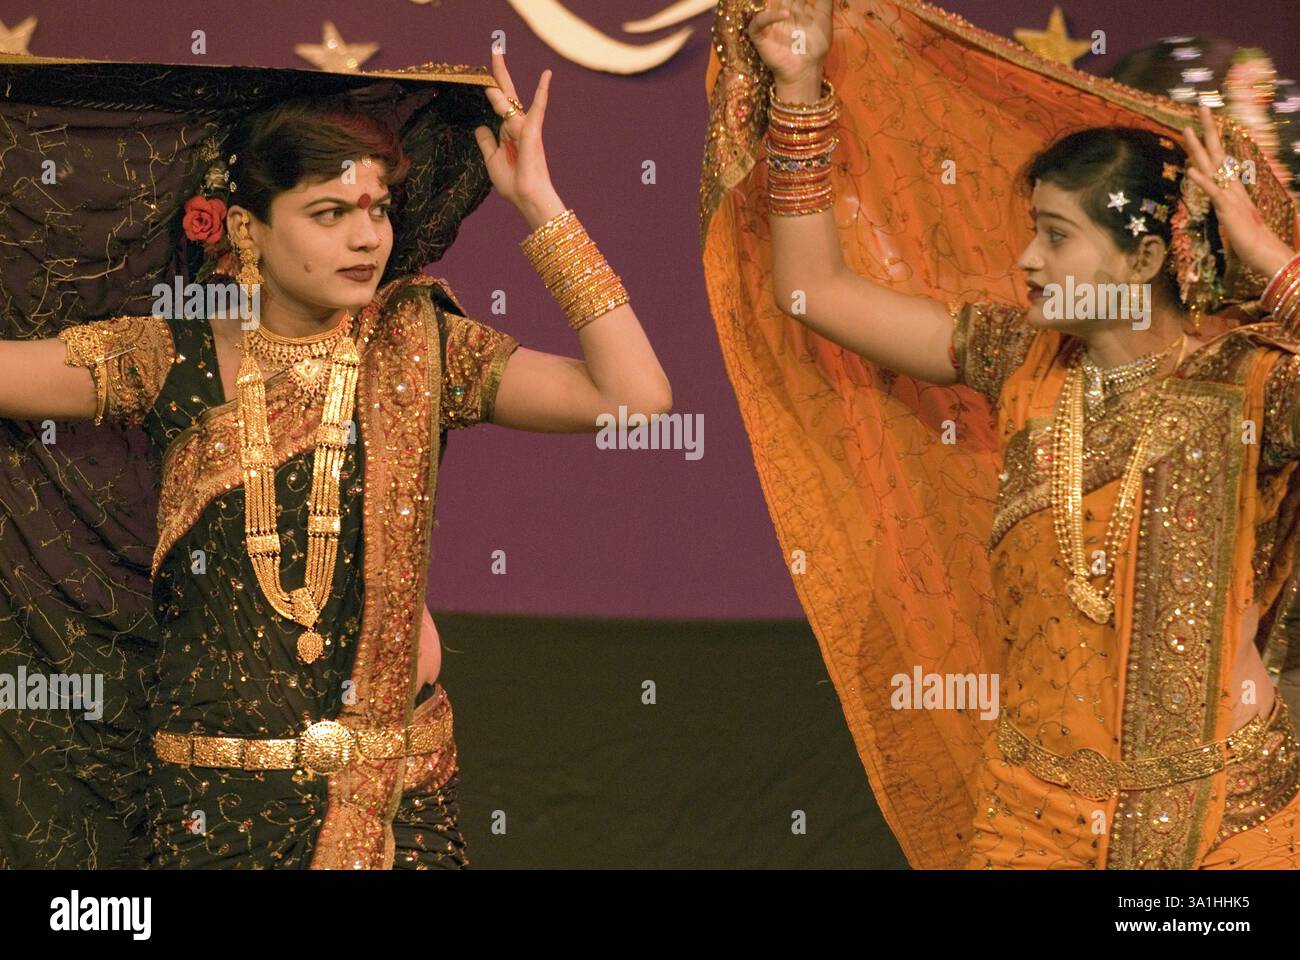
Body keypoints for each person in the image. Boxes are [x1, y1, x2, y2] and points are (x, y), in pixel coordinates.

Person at [0, 50, 670, 869]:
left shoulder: (421, 347)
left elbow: (636, 400)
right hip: (217, 811)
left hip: (392, 805)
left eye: (377, 209)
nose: (366, 237)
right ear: (246, 227)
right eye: (328, 213)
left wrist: (541, 204)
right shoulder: (164, 357)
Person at [702, 0, 1300, 868]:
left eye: (1056, 237)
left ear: (1142, 258)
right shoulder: (1018, 357)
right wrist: (798, 89)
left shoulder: (1250, 387)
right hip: (1035, 821)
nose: (1026, 261)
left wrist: (1272, 259)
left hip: (1230, 826)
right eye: (1033, 233)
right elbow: (814, 293)